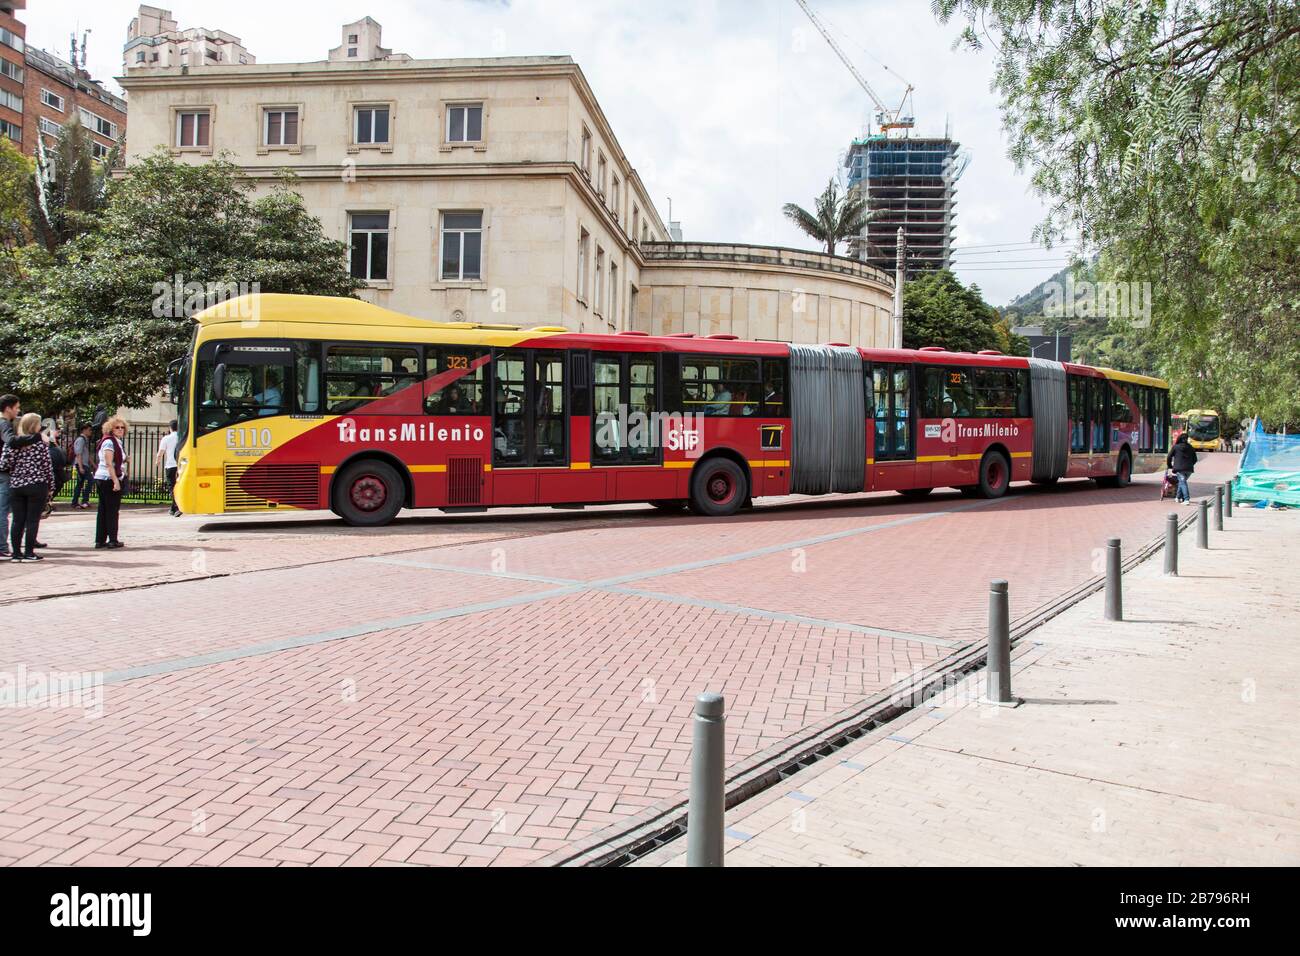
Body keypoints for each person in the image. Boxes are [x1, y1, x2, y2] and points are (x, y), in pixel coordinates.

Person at [1, 413, 54, 561]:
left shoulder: (12, 444)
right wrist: (51, 486)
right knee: (32, 520)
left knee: (18, 520)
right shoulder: (40, 443)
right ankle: (29, 552)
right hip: (37, 484)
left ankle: (16, 553)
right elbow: (47, 466)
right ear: (34, 425)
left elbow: (4, 464)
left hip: (17, 485)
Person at [94, 417, 129, 549]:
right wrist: (116, 481)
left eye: (122, 427)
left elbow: (115, 461)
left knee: (104, 509)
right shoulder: (109, 442)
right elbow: (109, 463)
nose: (120, 430)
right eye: (117, 427)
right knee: (111, 510)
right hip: (108, 478)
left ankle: (100, 540)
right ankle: (112, 539)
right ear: (111, 429)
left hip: (105, 478)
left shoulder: (116, 441)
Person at [155, 420, 181, 516]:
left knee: (172, 487)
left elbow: (161, 452)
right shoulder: (182, 437)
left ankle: (177, 507)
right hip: (181, 465)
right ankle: (173, 508)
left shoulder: (166, 438)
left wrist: (157, 461)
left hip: (170, 465)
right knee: (178, 486)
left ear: (170, 428)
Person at [1166, 431, 1198, 505]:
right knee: (1181, 482)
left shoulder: (1176, 447)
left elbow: (1169, 456)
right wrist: (1190, 464)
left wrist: (1170, 465)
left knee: (1183, 483)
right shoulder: (1191, 447)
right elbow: (1195, 459)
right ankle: (1177, 497)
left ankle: (1186, 499)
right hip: (1189, 469)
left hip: (1180, 469)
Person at [71, 423, 95, 510]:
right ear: (84, 430)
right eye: (89, 430)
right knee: (91, 481)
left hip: (84, 464)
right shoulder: (81, 440)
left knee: (80, 484)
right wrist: (80, 467)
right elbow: (78, 454)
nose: (91, 432)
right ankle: (84, 500)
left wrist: (93, 465)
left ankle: (75, 502)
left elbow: (86, 454)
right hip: (82, 464)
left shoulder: (84, 440)